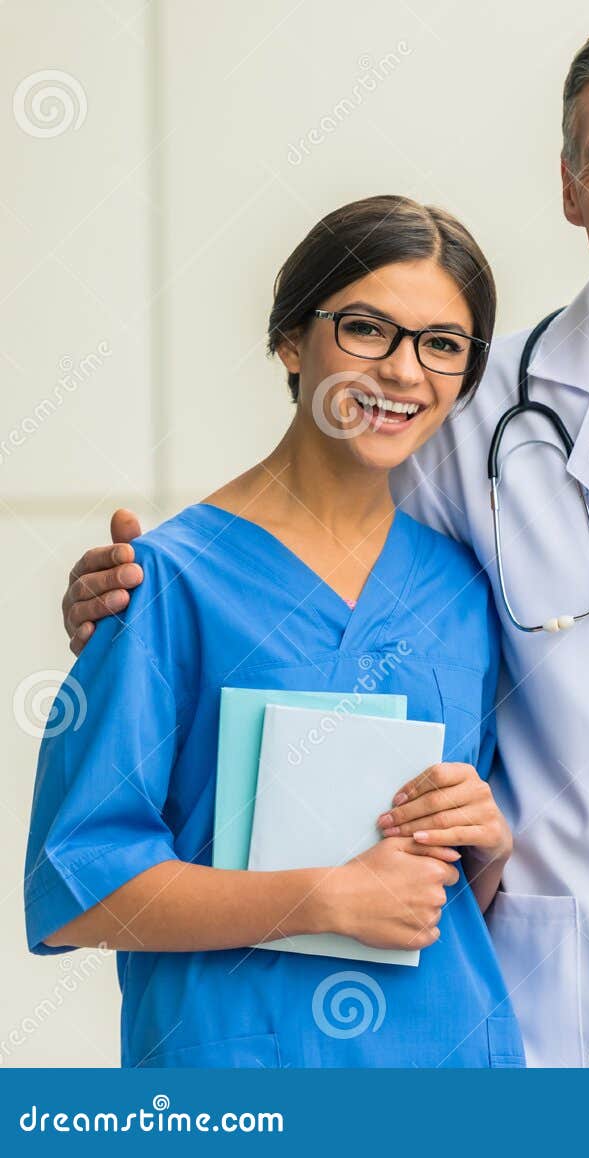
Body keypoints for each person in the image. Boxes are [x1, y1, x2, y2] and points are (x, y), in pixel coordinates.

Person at [59, 13, 589, 1066]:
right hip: (558, 1013)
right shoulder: (471, 409)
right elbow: (296, 547)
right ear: (567, 186)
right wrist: (133, 596)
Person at [27, 195, 524, 1068]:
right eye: (368, 330)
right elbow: (78, 884)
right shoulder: (163, 581)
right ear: (292, 339)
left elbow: (441, 893)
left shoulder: (462, 588)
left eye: (443, 345)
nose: (406, 373)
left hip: (451, 1058)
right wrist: (322, 900)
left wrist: (488, 842)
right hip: (240, 1069)